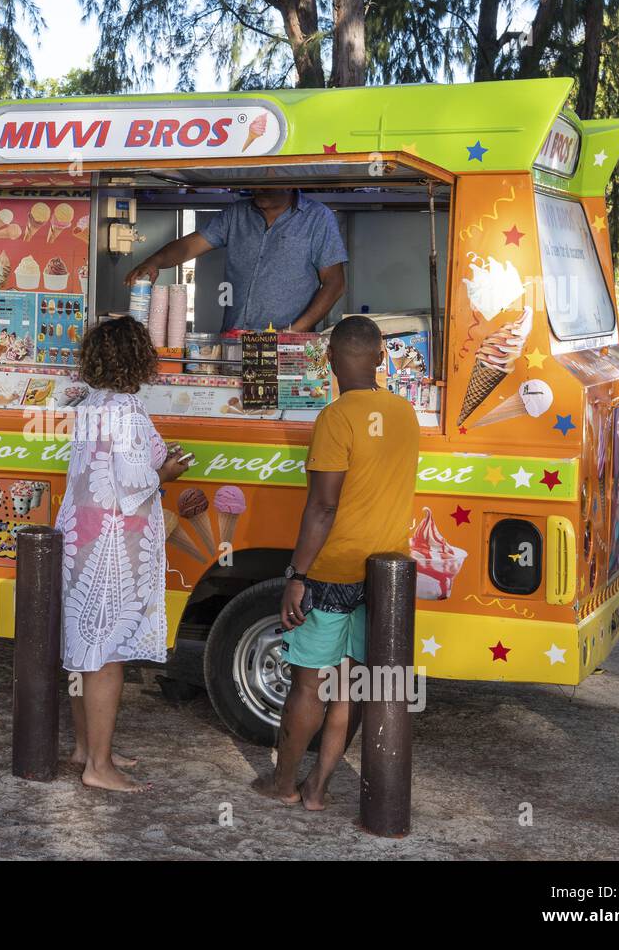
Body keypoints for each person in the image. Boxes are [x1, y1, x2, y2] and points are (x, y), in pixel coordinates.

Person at [252, 315, 419, 810]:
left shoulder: (334, 418)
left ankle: (282, 784)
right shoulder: (406, 413)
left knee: (309, 685)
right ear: (381, 357)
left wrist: (296, 575)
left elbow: (323, 507)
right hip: (383, 572)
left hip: (332, 571)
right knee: (348, 685)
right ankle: (318, 790)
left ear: (328, 361)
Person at [58, 316, 192, 792]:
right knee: (107, 655)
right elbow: (135, 485)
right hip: (113, 548)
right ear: (141, 359)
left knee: (83, 649)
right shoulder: (128, 412)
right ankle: (99, 767)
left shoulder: (91, 404)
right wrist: (169, 472)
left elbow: (108, 470)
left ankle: (85, 748)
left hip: (82, 539)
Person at [124, 188, 347, 332]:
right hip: (235, 340)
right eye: (254, 181)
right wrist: (155, 261)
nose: (257, 188)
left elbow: (334, 283)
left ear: (287, 182)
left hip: (289, 348)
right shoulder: (236, 214)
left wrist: (293, 332)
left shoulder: (317, 218)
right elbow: (190, 245)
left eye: (265, 182)